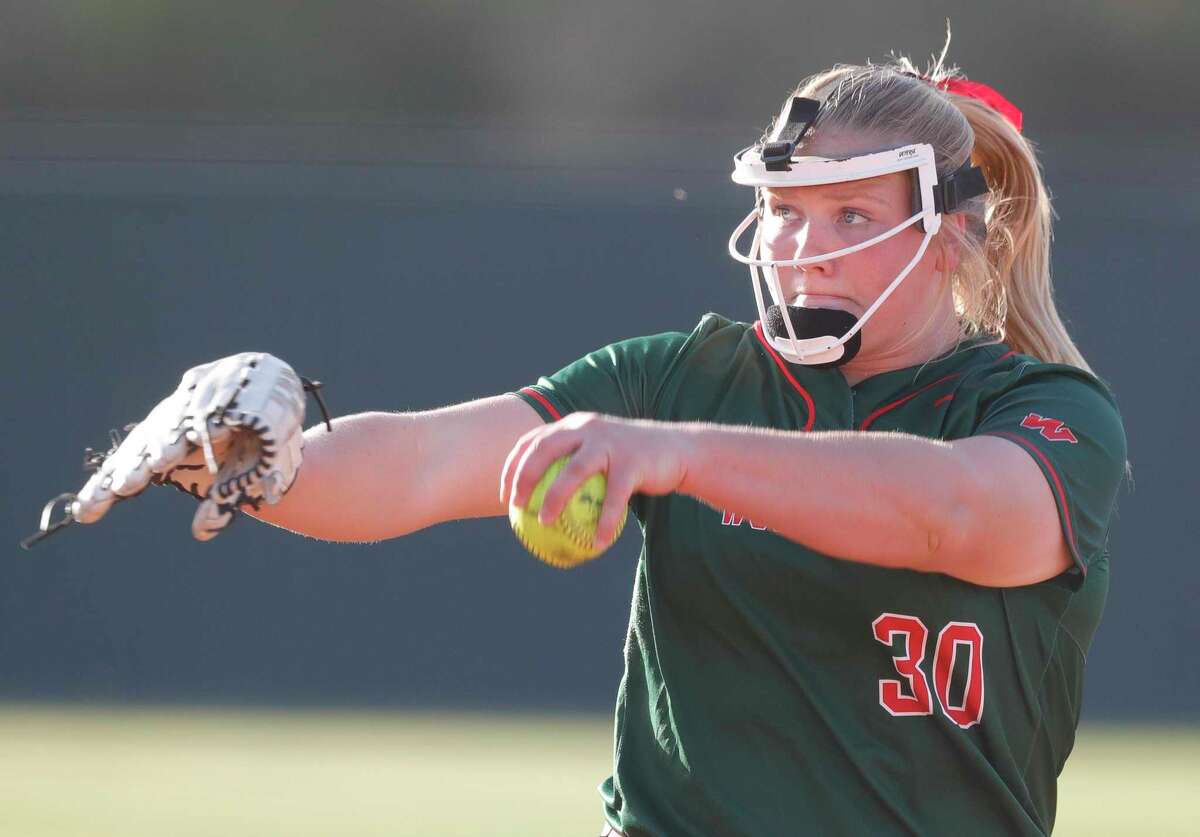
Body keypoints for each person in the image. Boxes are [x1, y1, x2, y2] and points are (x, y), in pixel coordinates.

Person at [61, 54, 1127, 836]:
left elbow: (959, 515)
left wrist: (680, 456)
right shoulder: (683, 378)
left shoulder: (1047, 410)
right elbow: (424, 464)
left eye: (852, 214)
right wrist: (259, 461)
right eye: (786, 211)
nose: (806, 249)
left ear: (952, 233)